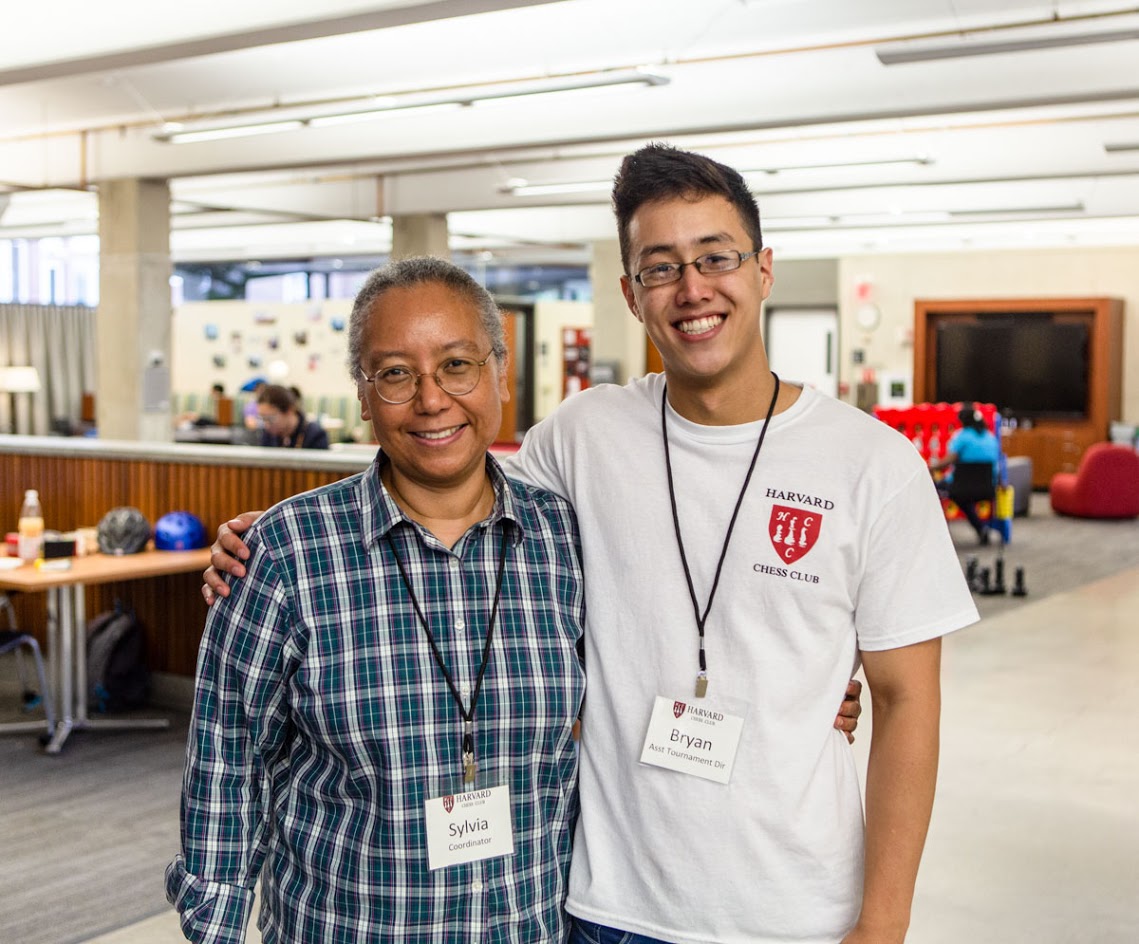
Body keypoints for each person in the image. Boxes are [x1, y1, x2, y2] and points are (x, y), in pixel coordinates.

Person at [206, 144, 965, 944]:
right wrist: (267, 539)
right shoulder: (581, 437)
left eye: (715, 258)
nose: (692, 289)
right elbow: (450, 497)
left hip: (794, 910)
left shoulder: (872, 464)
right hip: (599, 907)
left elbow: (907, 699)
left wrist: (881, 925)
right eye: (661, 268)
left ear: (763, 269)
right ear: (631, 295)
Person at [167, 257, 589, 942]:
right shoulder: (283, 555)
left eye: (457, 365)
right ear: (362, 394)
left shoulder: (564, 541)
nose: (431, 399)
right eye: (395, 373)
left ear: (500, 374)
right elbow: (226, 766)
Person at [930, 404, 1002, 544]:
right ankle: (980, 529)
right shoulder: (990, 438)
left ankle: (936, 535)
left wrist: (931, 467)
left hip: (960, 488)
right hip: (987, 489)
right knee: (963, 496)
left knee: (936, 489)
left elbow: (948, 460)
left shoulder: (962, 436)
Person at [255, 383, 330, 449]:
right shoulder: (269, 434)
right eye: (263, 419)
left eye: (270, 419)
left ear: (289, 411)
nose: (266, 425)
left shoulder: (316, 435)